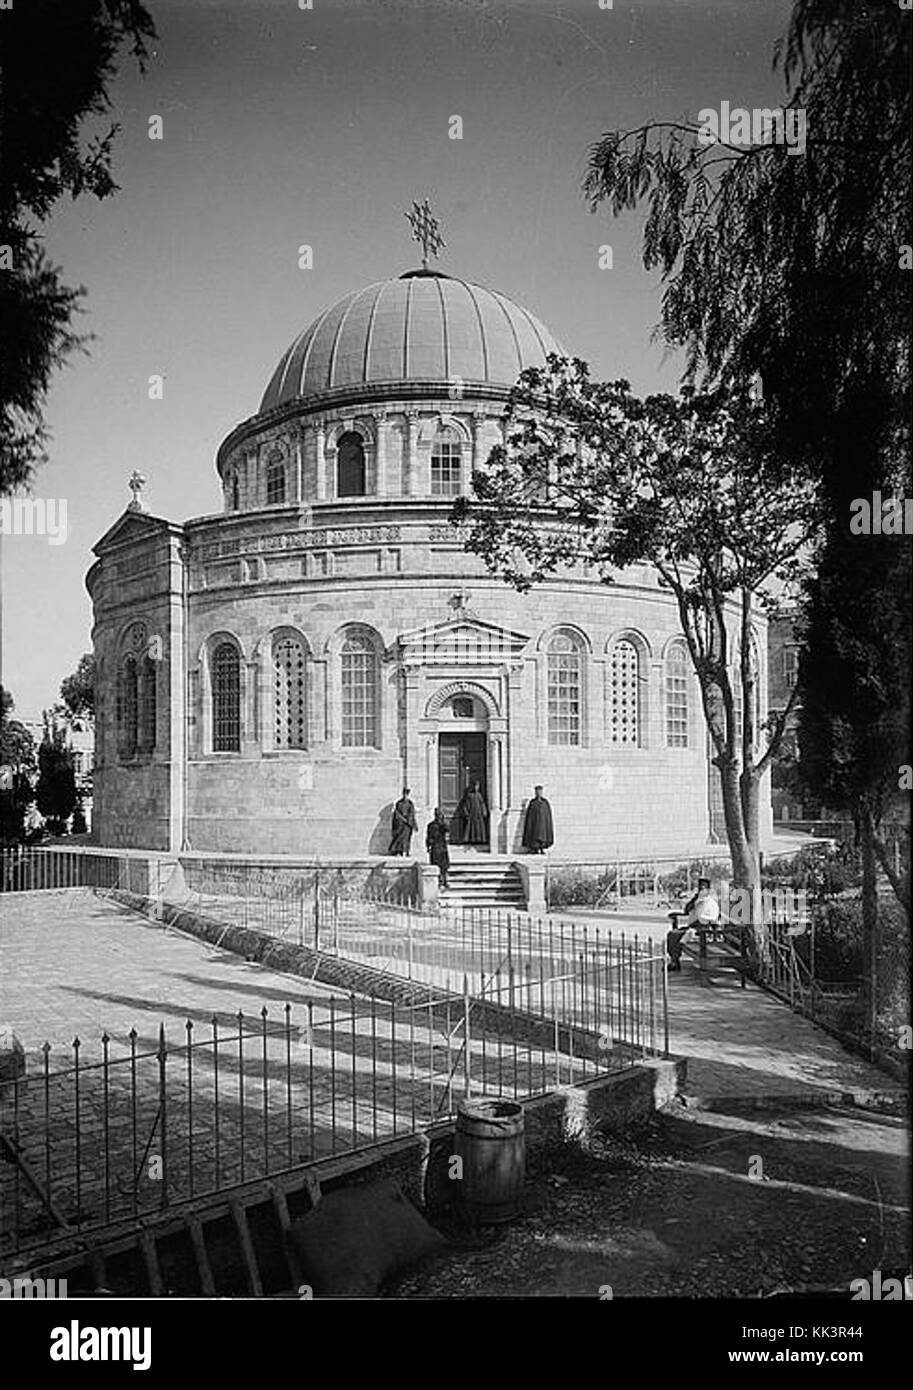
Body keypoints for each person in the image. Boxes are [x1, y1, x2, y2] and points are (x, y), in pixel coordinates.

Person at [521, 785, 554, 854]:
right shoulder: (533, 803)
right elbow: (530, 816)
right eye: (537, 791)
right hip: (534, 824)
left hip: (543, 825)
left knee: (543, 835)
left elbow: (547, 816)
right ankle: (534, 848)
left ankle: (542, 848)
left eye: (540, 791)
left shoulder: (545, 802)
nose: (538, 793)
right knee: (534, 835)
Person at [455, 780, 488, 846]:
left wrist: (484, 811)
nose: (476, 788)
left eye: (477, 786)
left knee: (479, 828)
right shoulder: (470, 795)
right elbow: (466, 805)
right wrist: (466, 813)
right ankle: (471, 840)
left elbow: (482, 804)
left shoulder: (479, 795)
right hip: (472, 814)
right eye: (475, 786)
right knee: (471, 828)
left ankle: (480, 840)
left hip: (478, 815)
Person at [425, 808, 450, 889]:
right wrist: (428, 846)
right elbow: (428, 836)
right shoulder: (431, 825)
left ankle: (445, 881)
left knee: (444, 866)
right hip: (436, 847)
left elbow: (447, 830)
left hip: (441, 847)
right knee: (437, 865)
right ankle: (440, 881)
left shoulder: (442, 825)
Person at [388, 787, 417, 856]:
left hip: (408, 824)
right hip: (400, 823)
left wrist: (412, 822)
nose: (405, 795)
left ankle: (406, 851)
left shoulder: (410, 803)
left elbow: (412, 813)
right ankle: (397, 851)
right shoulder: (399, 803)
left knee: (406, 838)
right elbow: (397, 813)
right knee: (399, 837)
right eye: (404, 794)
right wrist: (401, 819)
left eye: (407, 794)